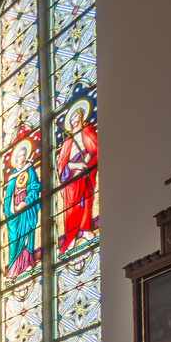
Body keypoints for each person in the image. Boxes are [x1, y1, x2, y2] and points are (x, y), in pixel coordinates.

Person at [54, 96, 98, 256]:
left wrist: (84, 165)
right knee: (70, 207)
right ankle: (70, 237)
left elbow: (94, 149)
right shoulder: (67, 141)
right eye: (71, 117)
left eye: (75, 115)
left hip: (84, 172)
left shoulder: (87, 131)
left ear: (82, 115)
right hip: (71, 176)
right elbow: (61, 164)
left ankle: (85, 229)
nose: (73, 119)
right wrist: (75, 166)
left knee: (85, 199)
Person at [1, 134, 42, 278]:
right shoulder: (12, 177)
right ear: (16, 158)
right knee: (15, 240)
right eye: (20, 156)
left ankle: (27, 263)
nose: (22, 158)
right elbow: (7, 197)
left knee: (27, 236)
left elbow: (35, 187)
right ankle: (15, 267)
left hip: (26, 207)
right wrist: (12, 209)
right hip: (15, 212)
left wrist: (26, 202)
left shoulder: (29, 170)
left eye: (24, 155)